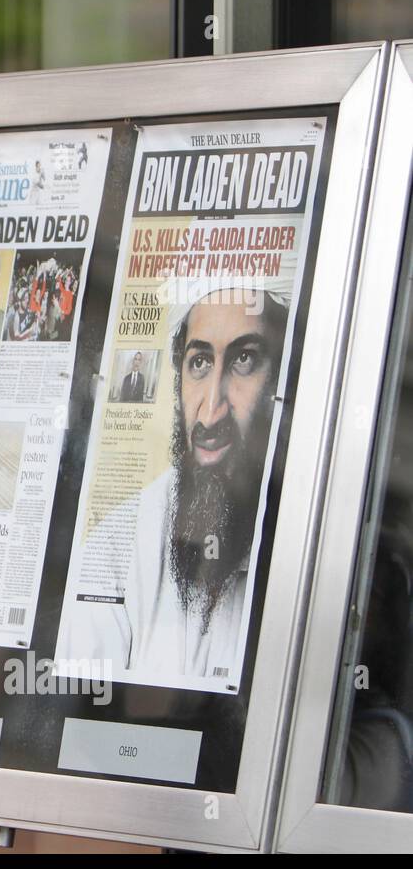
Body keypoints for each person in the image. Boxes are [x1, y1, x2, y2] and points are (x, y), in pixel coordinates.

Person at [62, 284, 289, 680]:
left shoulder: (307, 544)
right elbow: (82, 714)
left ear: (280, 383)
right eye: (199, 362)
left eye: (244, 359)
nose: (212, 412)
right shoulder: (116, 547)